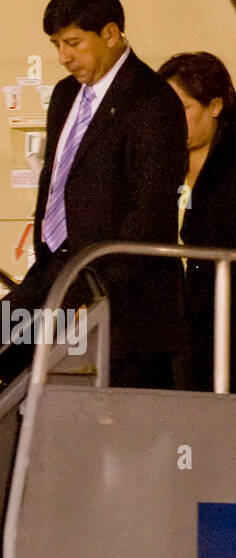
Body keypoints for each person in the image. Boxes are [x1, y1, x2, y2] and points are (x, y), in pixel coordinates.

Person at [0, 0, 188, 399]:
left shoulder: (152, 102)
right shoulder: (64, 96)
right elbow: (54, 181)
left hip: (119, 295)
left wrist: (95, 286)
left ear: (110, 34)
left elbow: (150, 212)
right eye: (56, 44)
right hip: (56, 272)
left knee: (70, 405)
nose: (63, 57)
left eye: (72, 43)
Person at [161, 52, 236, 392]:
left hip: (221, 327)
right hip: (172, 327)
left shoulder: (229, 172)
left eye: (184, 109)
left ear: (215, 106)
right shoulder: (159, 165)